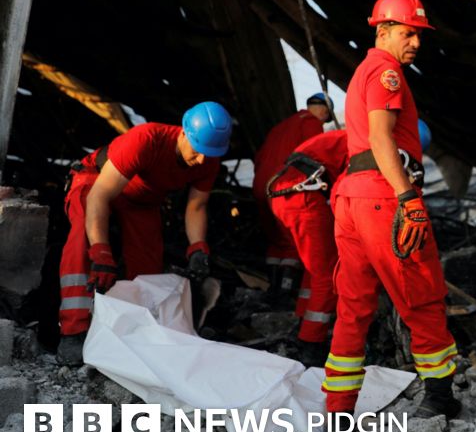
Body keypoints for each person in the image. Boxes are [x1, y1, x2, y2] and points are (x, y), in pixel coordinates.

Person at [324, 0, 460, 418]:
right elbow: (382, 139)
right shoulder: (387, 74)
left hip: (351, 198)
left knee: (353, 306)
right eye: (407, 32)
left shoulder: (362, 71)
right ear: (383, 31)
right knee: (420, 294)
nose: (415, 42)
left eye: (419, 34)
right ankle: (439, 398)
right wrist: (407, 198)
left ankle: (338, 411)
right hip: (383, 199)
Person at [57, 101, 233, 365]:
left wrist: (198, 247)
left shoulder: (208, 160)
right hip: (96, 181)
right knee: (84, 240)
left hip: (141, 199)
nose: (202, 160)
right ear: (184, 133)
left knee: (147, 268)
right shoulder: (146, 139)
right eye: (198, 151)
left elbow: (196, 205)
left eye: (210, 154)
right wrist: (101, 251)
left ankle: (130, 334)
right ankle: (73, 333)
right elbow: (99, 197)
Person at [265, 129, 349, 365]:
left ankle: (303, 320)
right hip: (303, 197)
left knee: (313, 267)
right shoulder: (365, 141)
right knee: (328, 272)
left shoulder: (341, 137)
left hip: (282, 193)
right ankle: (312, 343)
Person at [252, 93, 333, 302]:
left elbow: (259, 157)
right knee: (293, 241)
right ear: (324, 110)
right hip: (284, 188)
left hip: (261, 185)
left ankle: (271, 287)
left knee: (275, 240)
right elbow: (315, 157)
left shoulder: (280, 127)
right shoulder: (312, 124)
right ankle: (285, 295)